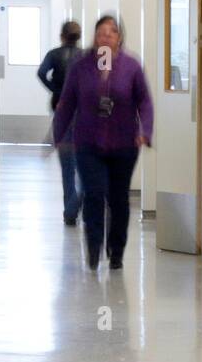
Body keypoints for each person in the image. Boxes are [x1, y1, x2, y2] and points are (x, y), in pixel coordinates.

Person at [52, 14, 154, 270]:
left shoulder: (131, 66)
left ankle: (116, 250)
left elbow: (144, 101)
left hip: (124, 144)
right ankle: (94, 246)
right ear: (94, 37)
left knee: (119, 199)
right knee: (94, 194)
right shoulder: (81, 66)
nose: (106, 36)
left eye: (112, 32)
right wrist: (58, 135)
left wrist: (145, 130)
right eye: (101, 32)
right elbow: (67, 102)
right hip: (88, 143)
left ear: (119, 38)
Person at [38, 20, 84, 225]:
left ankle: (70, 211)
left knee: (67, 166)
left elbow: (41, 73)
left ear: (62, 35)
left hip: (62, 112)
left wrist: (55, 89)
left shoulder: (54, 54)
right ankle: (77, 202)